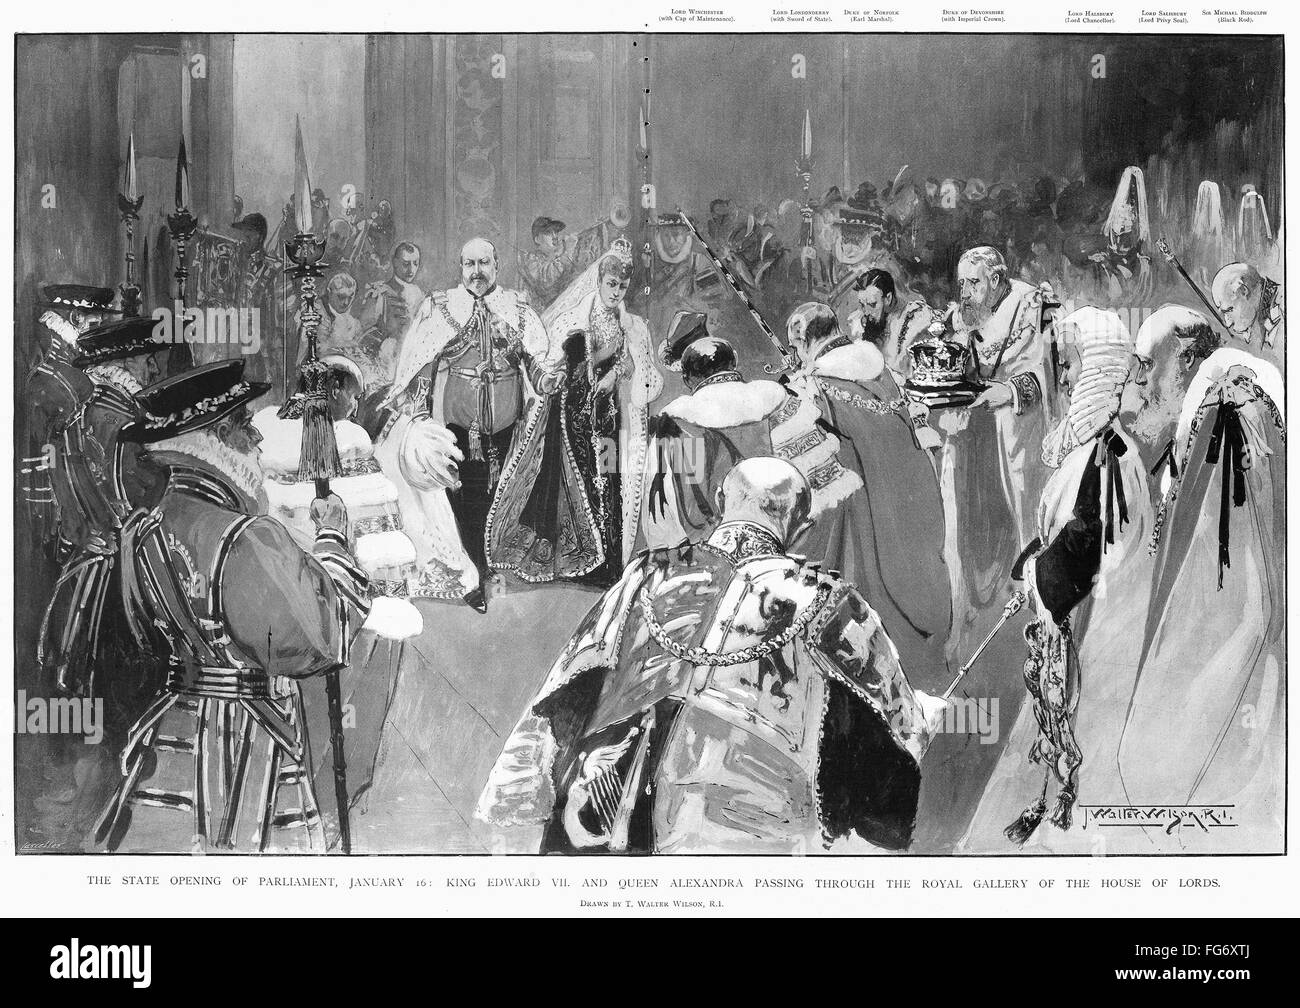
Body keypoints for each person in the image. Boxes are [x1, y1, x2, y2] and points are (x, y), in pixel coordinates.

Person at [476, 457, 948, 854]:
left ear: (722, 504)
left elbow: (568, 680)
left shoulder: (645, 575)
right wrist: (927, 715)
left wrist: (516, 794)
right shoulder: (830, 599)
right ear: (801, 526)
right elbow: (901, 723)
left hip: (605, 802)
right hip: (750, 820)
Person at [95, 359, 420, 853]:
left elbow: (143, 640)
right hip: (249, 736)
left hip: (177, 727)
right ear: (220, 436)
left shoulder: (141, 532)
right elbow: (320, 638)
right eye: (246, 426)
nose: (258, 440)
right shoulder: (248, 538)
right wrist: (332, 537)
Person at [962, 308, 1154, 850]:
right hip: (1067, 616)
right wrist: (1032, 559)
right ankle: (1049, 805)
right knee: (1055, 712)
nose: (1063, 379)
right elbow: (1062, 528)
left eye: (1068, 366)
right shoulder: (1091, 444)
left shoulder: (1108, 454)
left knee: (1077, 718)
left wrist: (1037, 573)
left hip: (1091, 620)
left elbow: (1088, 543)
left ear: (1096, 368)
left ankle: (1061, 819)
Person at [1116, 339, 1285, 852]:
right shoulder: (1214, 412)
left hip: (1241, 589)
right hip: (1222, 582)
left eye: (1152, 370)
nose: (1144, 382)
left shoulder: (1230, 411)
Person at [382, 237, 563, 611]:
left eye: (484, 263)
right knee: (465, 500)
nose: (477, 272)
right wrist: (416, 413)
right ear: (460, 268)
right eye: (469, 264)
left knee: (498, 497)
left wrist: (546, 380)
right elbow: (421, 363)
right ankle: (474, 577)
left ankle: (489, 566)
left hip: (508, 427)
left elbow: (535, 360)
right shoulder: (440, 308)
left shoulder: (516, 307)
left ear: (497, 266)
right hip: (459, 429)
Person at [785, 302, 951, 690]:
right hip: (913, 489)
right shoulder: (884, 371)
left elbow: (806, 465)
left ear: (807, 341)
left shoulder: (814, 387)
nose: (796, 355)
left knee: (868, 582)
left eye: (797, 346)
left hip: (867, 503)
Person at [487, 238, 662, 586]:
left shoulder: (634, 327)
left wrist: (620, 372)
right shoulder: (573, 318)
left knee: (610, 484)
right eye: (611, 284)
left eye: (623, 285)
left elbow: (647, 378)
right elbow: (552, 364)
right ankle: (579, 559)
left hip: (611, 419)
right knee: (576, 486)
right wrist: (560, 375)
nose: (616, 291)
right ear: (598, 282)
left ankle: (608, 565)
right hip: (570, 418)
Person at [639, 312, 859, 550]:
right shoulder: (782, 399)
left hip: (713, 551)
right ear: (734, 361)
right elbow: (826, 487)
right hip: (797, 545)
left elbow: (660, 516)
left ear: (688, 378)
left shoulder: (674, 425)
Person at [937, 246, 1060, 640]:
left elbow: (1051, 374)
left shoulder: (1031, 306)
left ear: (995, 280)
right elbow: (949, 355)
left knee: (1024, 505)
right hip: (977, 433)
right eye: (961, 284)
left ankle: (1035, 593)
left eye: (973, 283)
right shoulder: (963, 314)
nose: (965, 292)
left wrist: (1007, 392)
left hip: (1020, 430)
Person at [255, 355, 420, 597]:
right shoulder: (348, 439)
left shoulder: (267, 430)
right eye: (354, 397)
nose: (355, 409)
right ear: (334, 390)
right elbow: (381, 538)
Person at [847, 267, 938, 373]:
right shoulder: (864, 321)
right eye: (862, 305)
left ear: (888, 298)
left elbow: (904, 369)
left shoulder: (917, 316)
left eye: (872, 304)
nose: (866, 312)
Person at [358, 241, 425, 354]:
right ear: (395, 263)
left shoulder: (418, 294)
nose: (411, 270)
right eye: (406, 264)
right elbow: (363, 333)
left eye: (415, 263)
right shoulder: (379, 293)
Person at [1211, 261, 1283, 363]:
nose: (1228, 323)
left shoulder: (1284, 311)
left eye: (1229, 310)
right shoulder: (1255, 323)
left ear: (1243, 291)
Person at [518, 216, 580, 310]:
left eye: (556, 232)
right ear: (537, 239)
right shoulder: (529, 259)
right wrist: (568, 253)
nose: (555, 237)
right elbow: (545, 279)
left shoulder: (557, 257)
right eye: (548, 233)